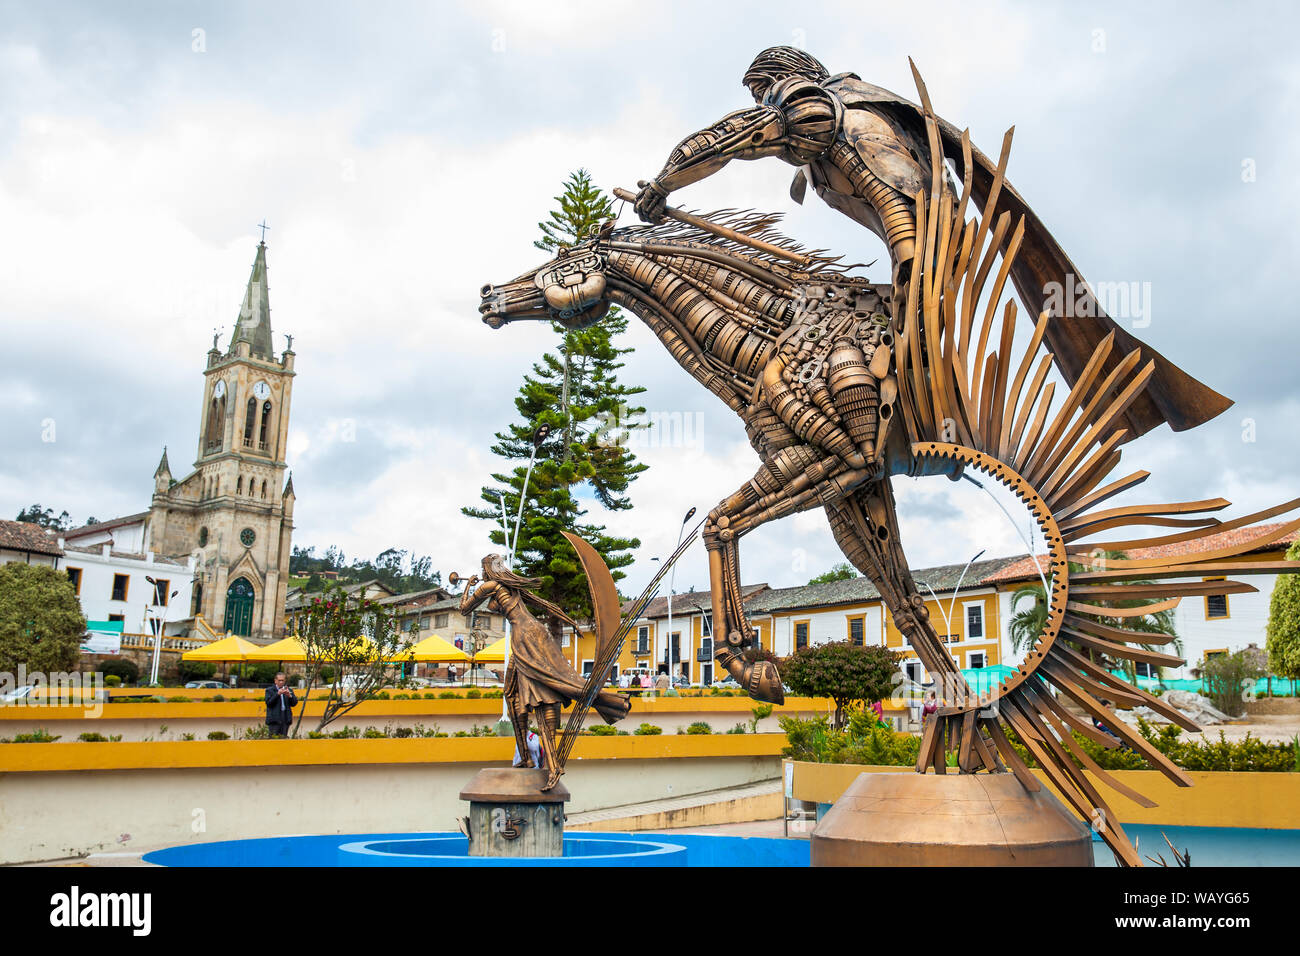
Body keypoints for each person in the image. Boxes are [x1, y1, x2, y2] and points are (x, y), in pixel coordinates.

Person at [458, 555, 630, 790]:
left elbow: (464, 609)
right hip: (534, 633)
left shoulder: (491, 585)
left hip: (524, 637)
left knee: (540, 695)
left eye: (483, 569)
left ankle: (553, 765)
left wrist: (468, 585)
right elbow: (547, 605)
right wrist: (569, 621)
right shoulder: (509, 586)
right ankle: (527, 758)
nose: (483, 573)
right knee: (511, 695)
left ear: (488, 569)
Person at [265, 672, 297, 737]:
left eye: (283, 680)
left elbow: (294, 703)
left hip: (285, 718)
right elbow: (269, 703)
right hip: (274, 719)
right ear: (275, 681)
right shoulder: (269, 690)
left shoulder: (288, 689)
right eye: (279, 680)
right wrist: (277, 694)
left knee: (284, 739)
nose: (281, 682)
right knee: (273, 739)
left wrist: (289, 696)